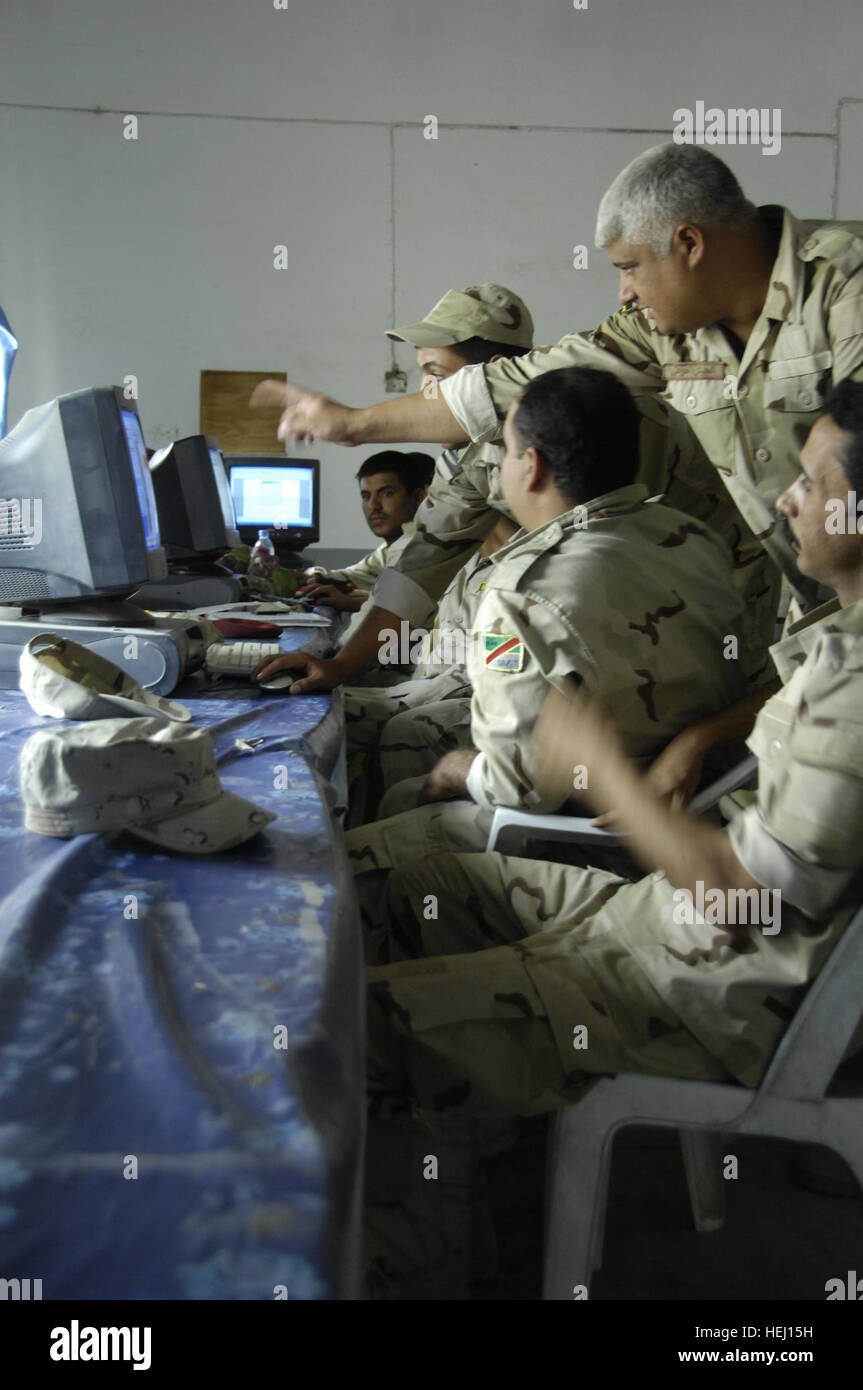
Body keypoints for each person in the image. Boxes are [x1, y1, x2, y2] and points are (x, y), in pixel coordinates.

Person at [362, 380, 863, 1298]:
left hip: (711, 982)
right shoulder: (818, 626)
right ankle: (469, 1163)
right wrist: (681, 750)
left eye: (811, 480)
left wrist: (605, 770)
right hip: (661, 903)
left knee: (363, 1031)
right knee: (403, 897)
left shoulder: (857, 686)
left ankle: (427, 1266)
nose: (785, 498)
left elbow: (743, 898)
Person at [253, 240, 781, 696]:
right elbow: (417, 569)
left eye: (437, 376)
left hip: (713, 601)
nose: (425, 397)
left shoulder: (601, 423)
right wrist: (341, 665)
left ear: (494, 377)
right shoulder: (476, 456)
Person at [346, 366, 749, 952]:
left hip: (589, 833)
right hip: (695, 814)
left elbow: (519, 789)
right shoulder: (694, 540)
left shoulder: (521, 592)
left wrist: (460, 768)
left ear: (529, 466)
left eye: (504, 452)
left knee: (356, 861)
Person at [301, 450, 434, 685]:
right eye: (365, 496)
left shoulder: (420, 551)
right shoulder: (395, 546)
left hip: (400, 680)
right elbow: (357, 574)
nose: (374, 506)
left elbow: (350, 657)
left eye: (387, 494)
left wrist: (319, 664)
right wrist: (308, 576)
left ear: (419, 497)